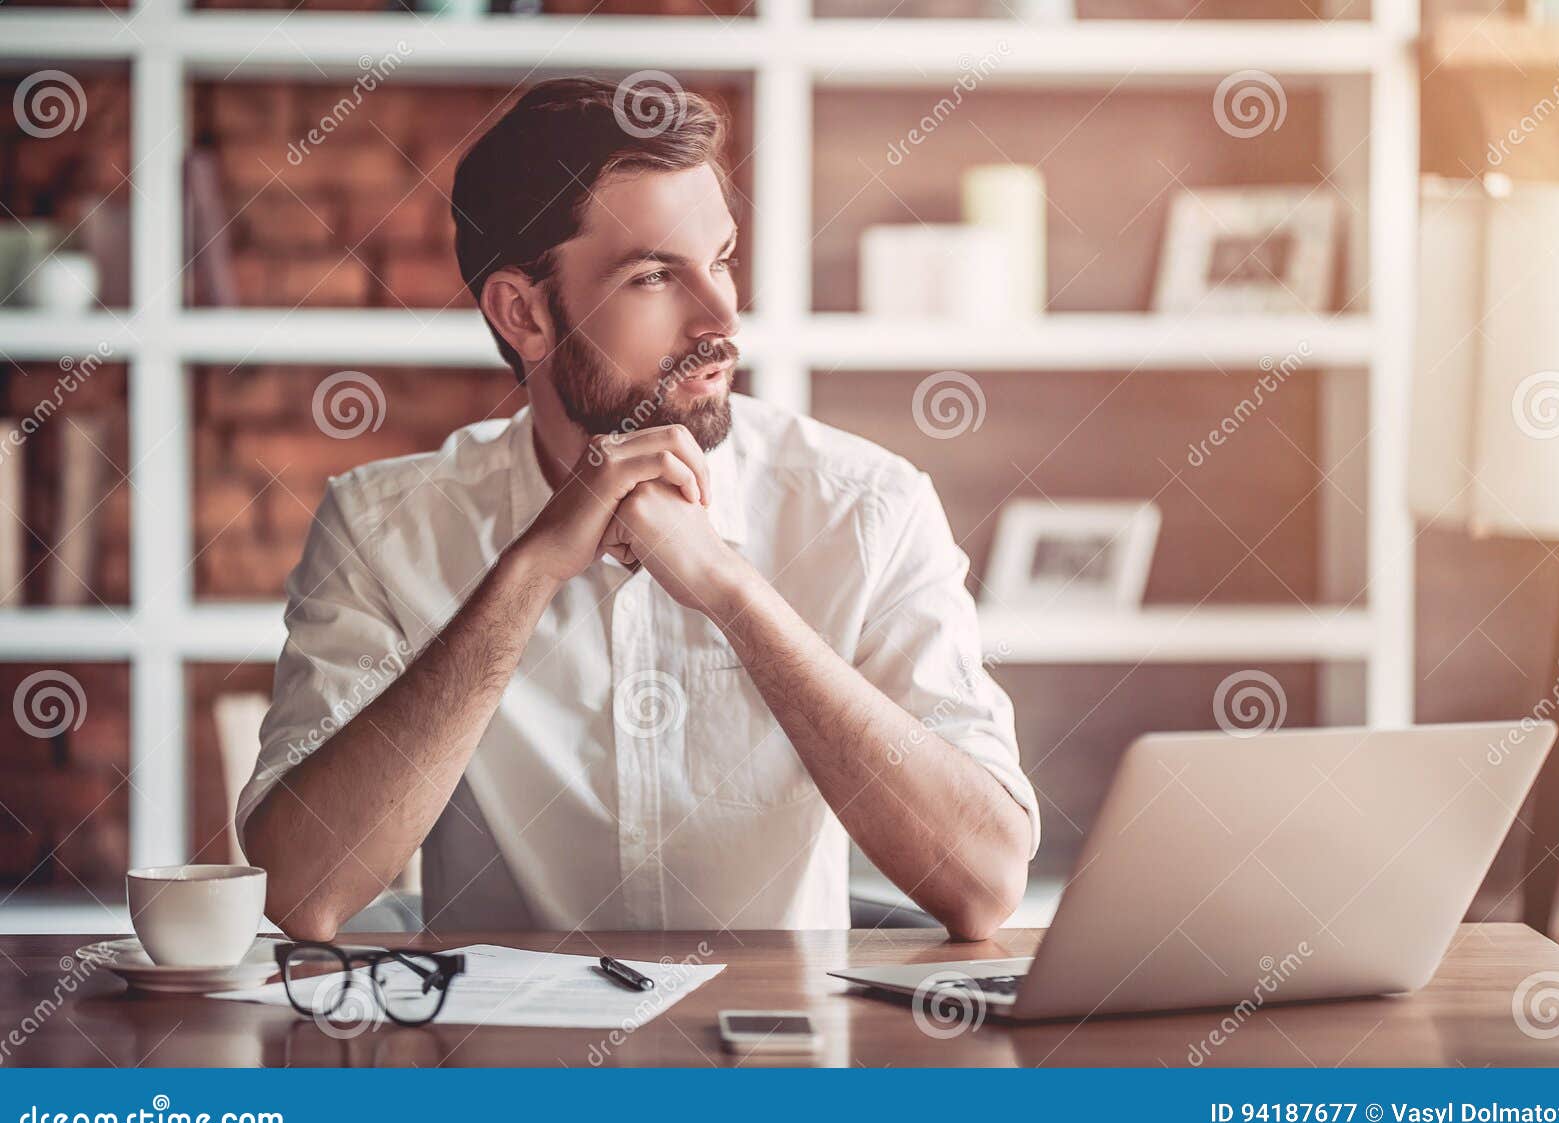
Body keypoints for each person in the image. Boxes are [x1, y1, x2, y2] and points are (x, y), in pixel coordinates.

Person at [238, 76, 1038, 941]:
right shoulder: (382, 527)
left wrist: (732, 589)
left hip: (777, 1030)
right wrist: (530, 571)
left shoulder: (869, 507)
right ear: (523, 314)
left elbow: (984, 882)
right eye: (655, 276)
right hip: (506, 1032)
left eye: (722, 260)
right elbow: (302, 890)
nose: (722, 316)